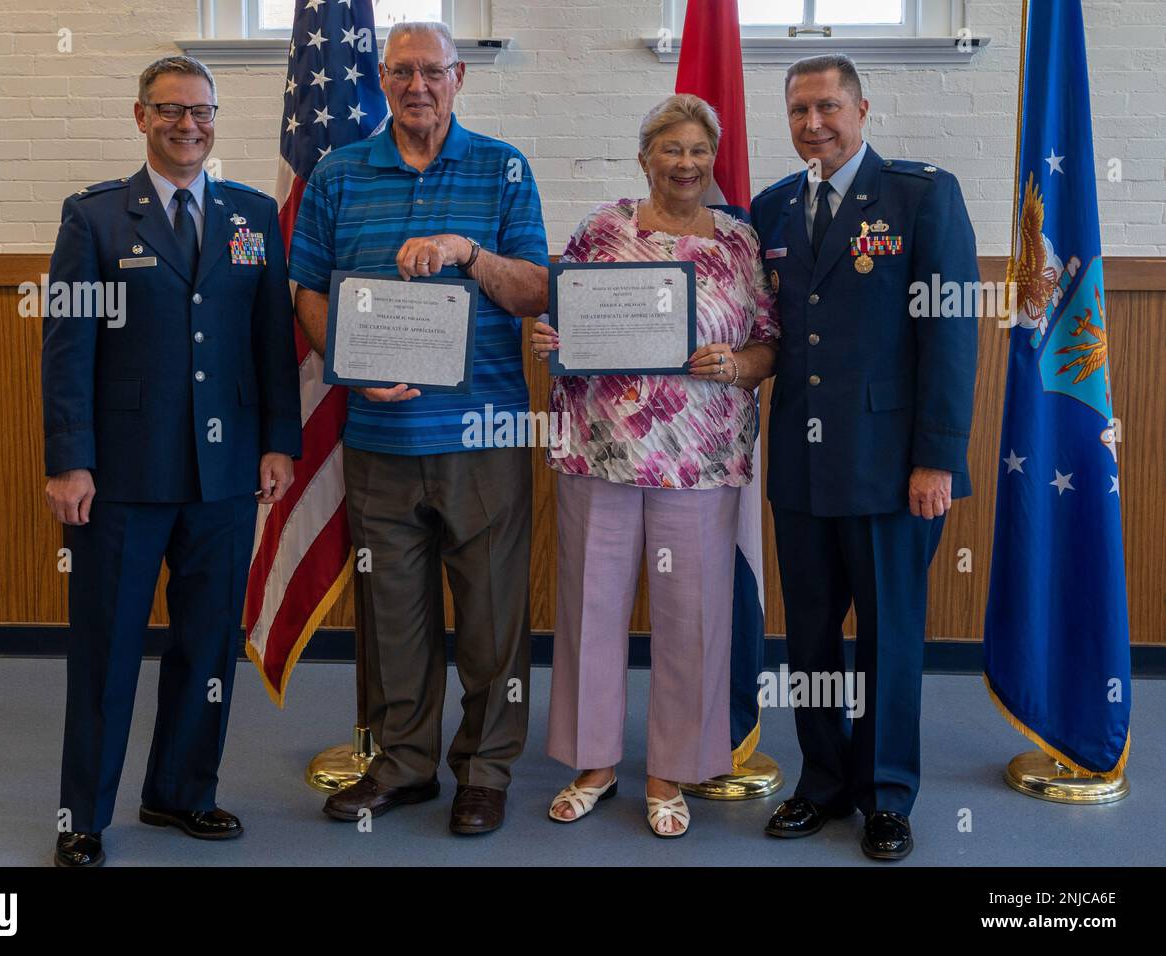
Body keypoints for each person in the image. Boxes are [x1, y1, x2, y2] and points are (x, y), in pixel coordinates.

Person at [289, 21, 549, 836]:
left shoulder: (504, 168)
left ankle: (485, 770)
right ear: (381, 78)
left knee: (491, 618)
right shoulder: (337, 171)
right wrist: (351, 364)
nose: (416, 86)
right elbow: (306, 290)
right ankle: (403, 764)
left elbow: (535, 291)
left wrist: (469, 252)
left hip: (483, 438)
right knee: (392, 614)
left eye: (431, 71)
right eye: (400, 71)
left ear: (458, 77)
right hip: (380, 439)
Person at [42, 55, 303, 867]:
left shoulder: (252, 214)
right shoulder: (93, 219)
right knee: (107, 648)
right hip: (121, 477)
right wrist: (69, 460)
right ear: (140, 116)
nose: (189, 125)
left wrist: (278, 444)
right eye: (170, 111)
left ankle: (182, 792)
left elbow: (271, 345)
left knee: (206, 644)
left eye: (202, 111)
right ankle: (81, 816)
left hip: (222, 478)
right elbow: (67, 351)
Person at [531, 94, 779, 837]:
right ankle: (594, 762)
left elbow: (771, 342)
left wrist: (737, 362)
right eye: (671, 149)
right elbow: (559, 312)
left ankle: (671, 769)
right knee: (590, 608)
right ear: (645, 158)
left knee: (690, 618)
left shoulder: (739, 242)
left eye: (699, 151)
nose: (685, 164)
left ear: (713, 159)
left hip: (702, 460)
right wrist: (551, 337)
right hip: (599, 449)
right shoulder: (601, 229)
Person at [751, 54, 978, 860]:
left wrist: (937, 461)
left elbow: (949, 336)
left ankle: (885, 794)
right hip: (802, 469)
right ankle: (823, 782)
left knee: (889, 636)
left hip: (892, 468)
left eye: (827, 107)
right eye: (799, 111)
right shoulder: (772, 206)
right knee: (810, 637)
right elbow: (761, 328)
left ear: (862, 108)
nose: (813, 123)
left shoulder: (921, 196)